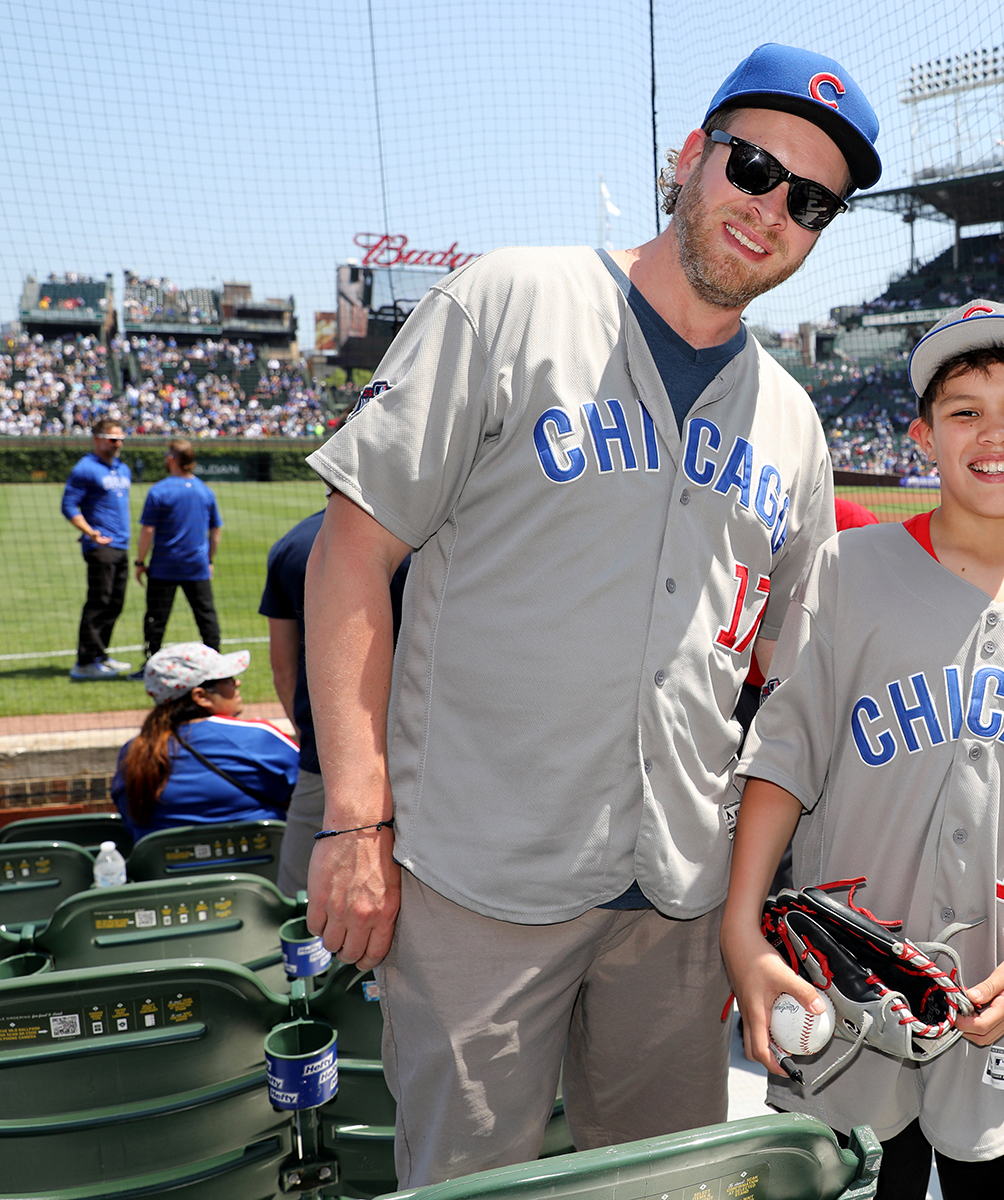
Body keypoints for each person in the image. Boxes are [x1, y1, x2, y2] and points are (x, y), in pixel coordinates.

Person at [302, 44, 880, 1186]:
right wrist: (354, 819)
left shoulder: (792, 423)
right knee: (468, 1183)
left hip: (677, 900)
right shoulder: (510, 301)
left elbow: (788, 676)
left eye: (811, 201)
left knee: (665, 1185)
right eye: (753, 168)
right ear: (690, 156)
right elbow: (352, 552)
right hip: (478, 878)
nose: (772, 209)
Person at [723, 304, 1004, 1199]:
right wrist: (739, 925)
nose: (995, 433)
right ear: (923, 437)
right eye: (964, 411)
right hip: (842, 984)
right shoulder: (849, 570)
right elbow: (781, 759)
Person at [258, 506, 410, 895]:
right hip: (422, 748)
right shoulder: (422, 536)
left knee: (302, 899)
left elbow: (283, 669)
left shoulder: (294, 543)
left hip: (329, 760)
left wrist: (316, 738)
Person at [111, 643, 299, 842]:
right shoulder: (257, 737)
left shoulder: (134, 752)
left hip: (166, 863)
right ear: (201, 696)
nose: (237, 683)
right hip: (264, 860)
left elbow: (131, 823)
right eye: (227, 679)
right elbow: (314, 789)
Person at [135, 438, 223, 661]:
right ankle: (216, 665)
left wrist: (140, 561)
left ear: (172, 459)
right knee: (206, 616)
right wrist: (209, 560)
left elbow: (147, 531)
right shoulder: (205, 491)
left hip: (164, 566)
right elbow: (215, 531)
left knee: (156, 618)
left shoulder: (159, 490)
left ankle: (151, 663)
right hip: (196, 565)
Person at [62, 419, 134, 680]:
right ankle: (84, 663)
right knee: (99, 601)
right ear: (97, 439)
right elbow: (68, 505)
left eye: (121, 439)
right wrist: (89, 531)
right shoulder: (85, 468)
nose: (118, 444)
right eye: (112, 439)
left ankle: (100, 656)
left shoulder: (122, 468)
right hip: (100, 545)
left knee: (115, 603)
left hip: (122, 544)